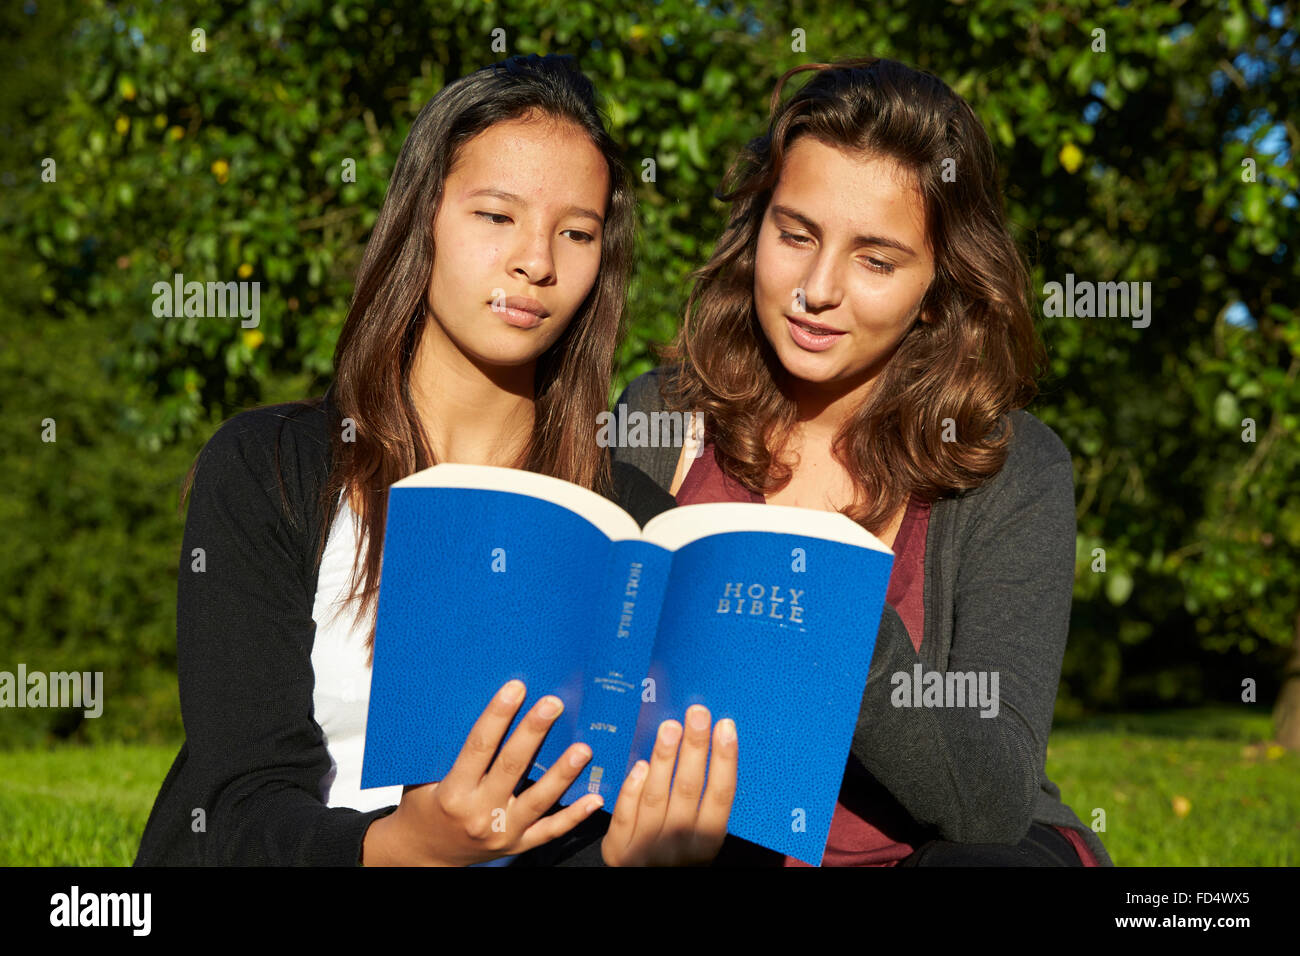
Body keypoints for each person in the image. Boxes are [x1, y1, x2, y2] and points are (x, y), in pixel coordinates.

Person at [134, 53, 734, 867]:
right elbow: (239, 809)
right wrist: (407, 847)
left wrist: (633, 855)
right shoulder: (270, 466)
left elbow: (589, 833)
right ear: (423, 218)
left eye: (577, 232)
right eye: (496, 216)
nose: (537, 262)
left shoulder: (631, 524)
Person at [609, 57, 1114, 867]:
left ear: (940, 282)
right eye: (796, 234)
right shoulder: (662, 418)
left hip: (942, 848)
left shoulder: (1011, 467)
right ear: (756, 227)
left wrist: (822, 610)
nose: (817, 288)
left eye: (875, 261)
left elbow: (988, 798)